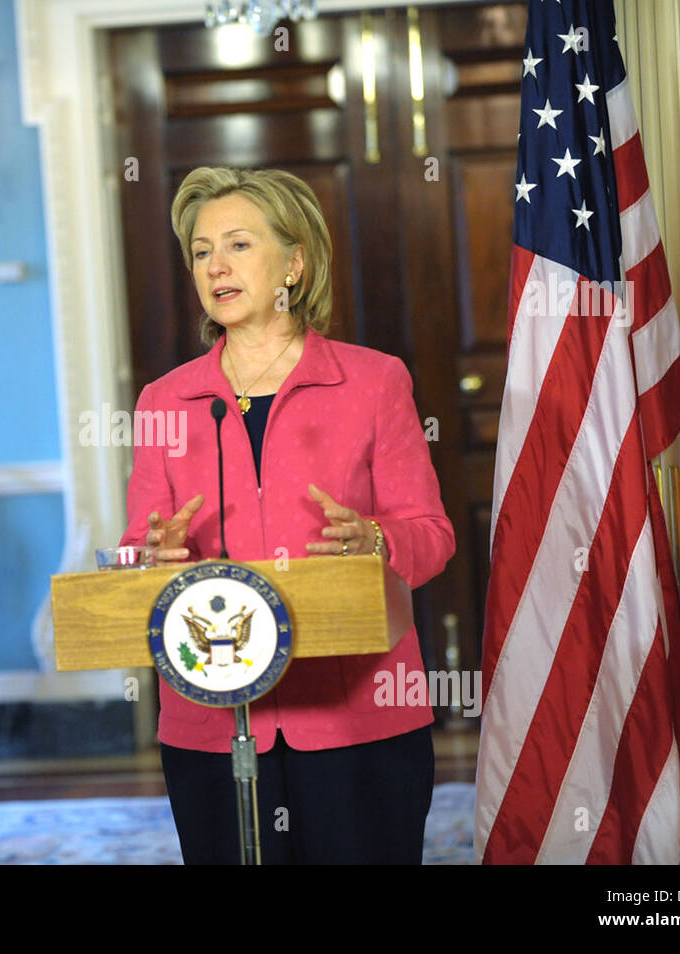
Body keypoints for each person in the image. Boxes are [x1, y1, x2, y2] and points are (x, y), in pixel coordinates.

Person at [120, 166, 455, 864]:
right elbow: (135, 551)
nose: (216, 266)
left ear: (295, 264)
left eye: (238, 245)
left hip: (356, 718)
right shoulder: (165, 400)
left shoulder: (374, 381)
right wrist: (156, 556)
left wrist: (376, 539)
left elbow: (431, 536)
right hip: (212, 723)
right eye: (201, 251)